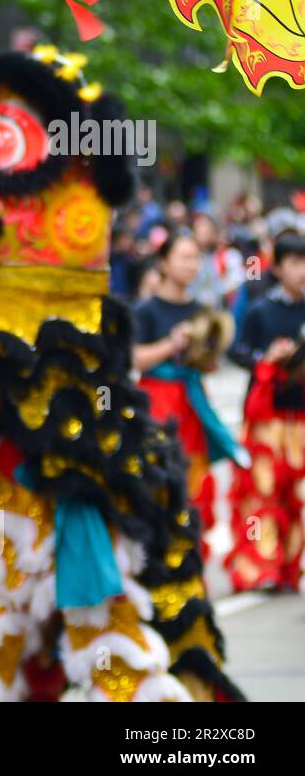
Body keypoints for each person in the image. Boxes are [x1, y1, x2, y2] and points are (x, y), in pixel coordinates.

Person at [133, 229, 247, 558]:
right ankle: (158, 553)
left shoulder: (201, 308)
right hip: (158, 401)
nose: (192, 265)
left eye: (196, 258)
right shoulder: (146, 310)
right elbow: (135, 358)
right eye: (184, 257)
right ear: (163, 263)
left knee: (194, 478)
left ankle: (190, 552)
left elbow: (209, 365)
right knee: (159, 474)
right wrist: (172, 343)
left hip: (191, 402)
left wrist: (205, 352)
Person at [227, 228, 305, 591]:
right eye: (295, 263)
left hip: (301, 414)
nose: (302, 270)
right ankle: (262, 567)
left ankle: (292, 567)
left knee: (299, 496)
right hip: (266, 418)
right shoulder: (261, 310)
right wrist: (266, 358)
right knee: (263, 492)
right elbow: (237, 351)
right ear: (277, 268)